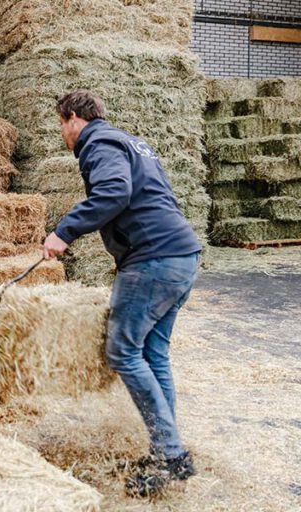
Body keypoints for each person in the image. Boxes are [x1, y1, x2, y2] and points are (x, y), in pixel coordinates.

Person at [42, 90, 202, 497]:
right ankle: (168, 449)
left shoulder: (98, 143)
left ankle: (169, 454)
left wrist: (64, 232)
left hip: (155, 260)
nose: (62, 133)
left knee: (123, 352)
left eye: (61, 124)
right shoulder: (132, 142)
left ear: (73, 117)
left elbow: (113, 193)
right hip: (181, 254)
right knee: (152, 353)